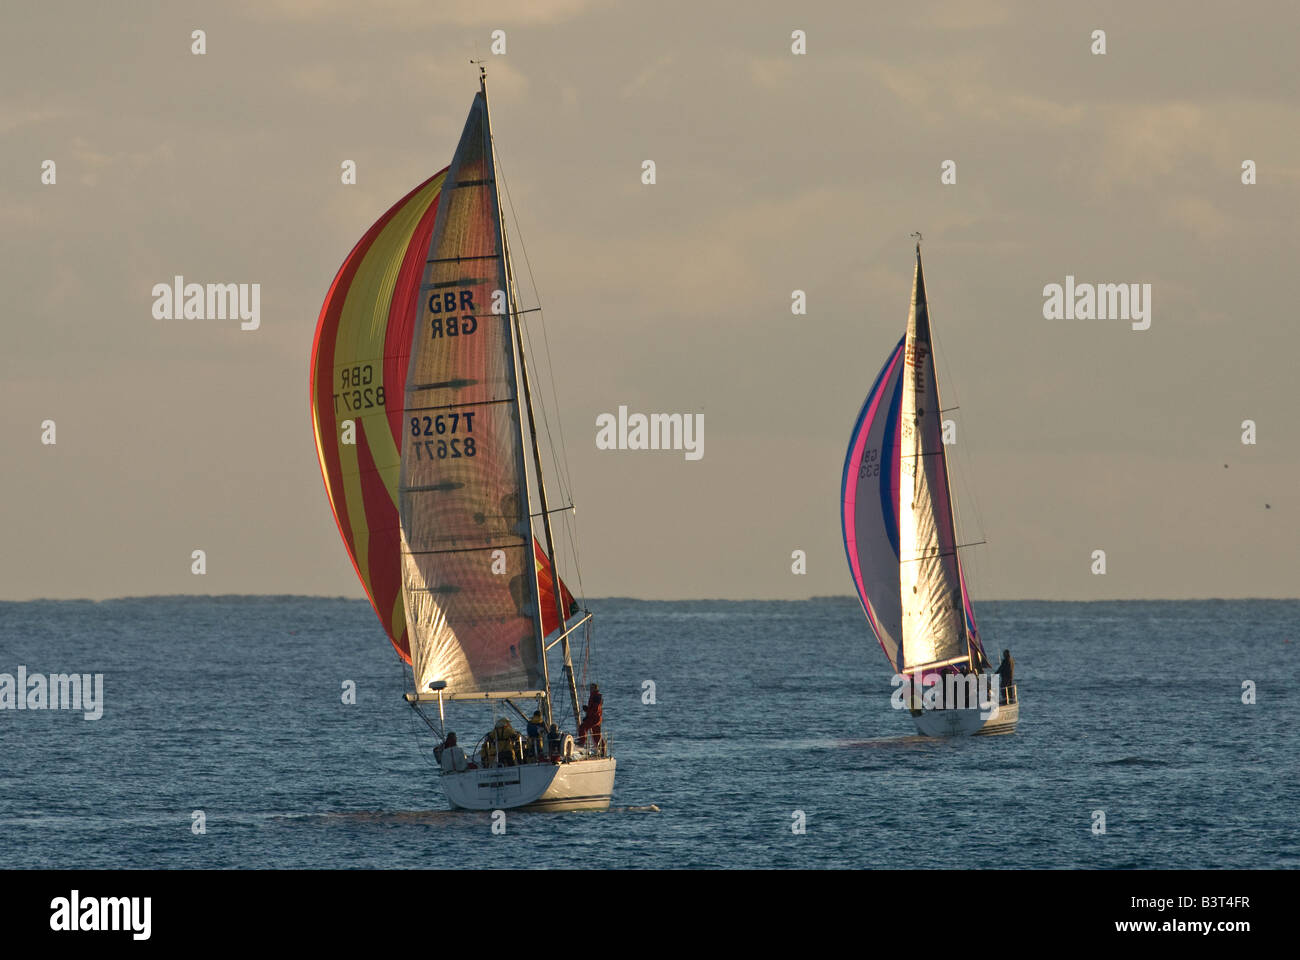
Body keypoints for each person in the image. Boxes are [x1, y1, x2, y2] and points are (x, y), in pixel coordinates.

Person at [576, 683, 603, 749]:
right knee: (596, 734)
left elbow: (595, 709)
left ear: (595, 689)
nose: (590, 689)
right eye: (590, 688)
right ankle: (602, 749)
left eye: (592, 688)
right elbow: (593, 709)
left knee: (583, 727)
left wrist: (587, 710)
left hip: (595, 718)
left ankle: (582, 743)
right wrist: (587, 713)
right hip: (595, 717)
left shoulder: (596, 696)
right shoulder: (594, 696)